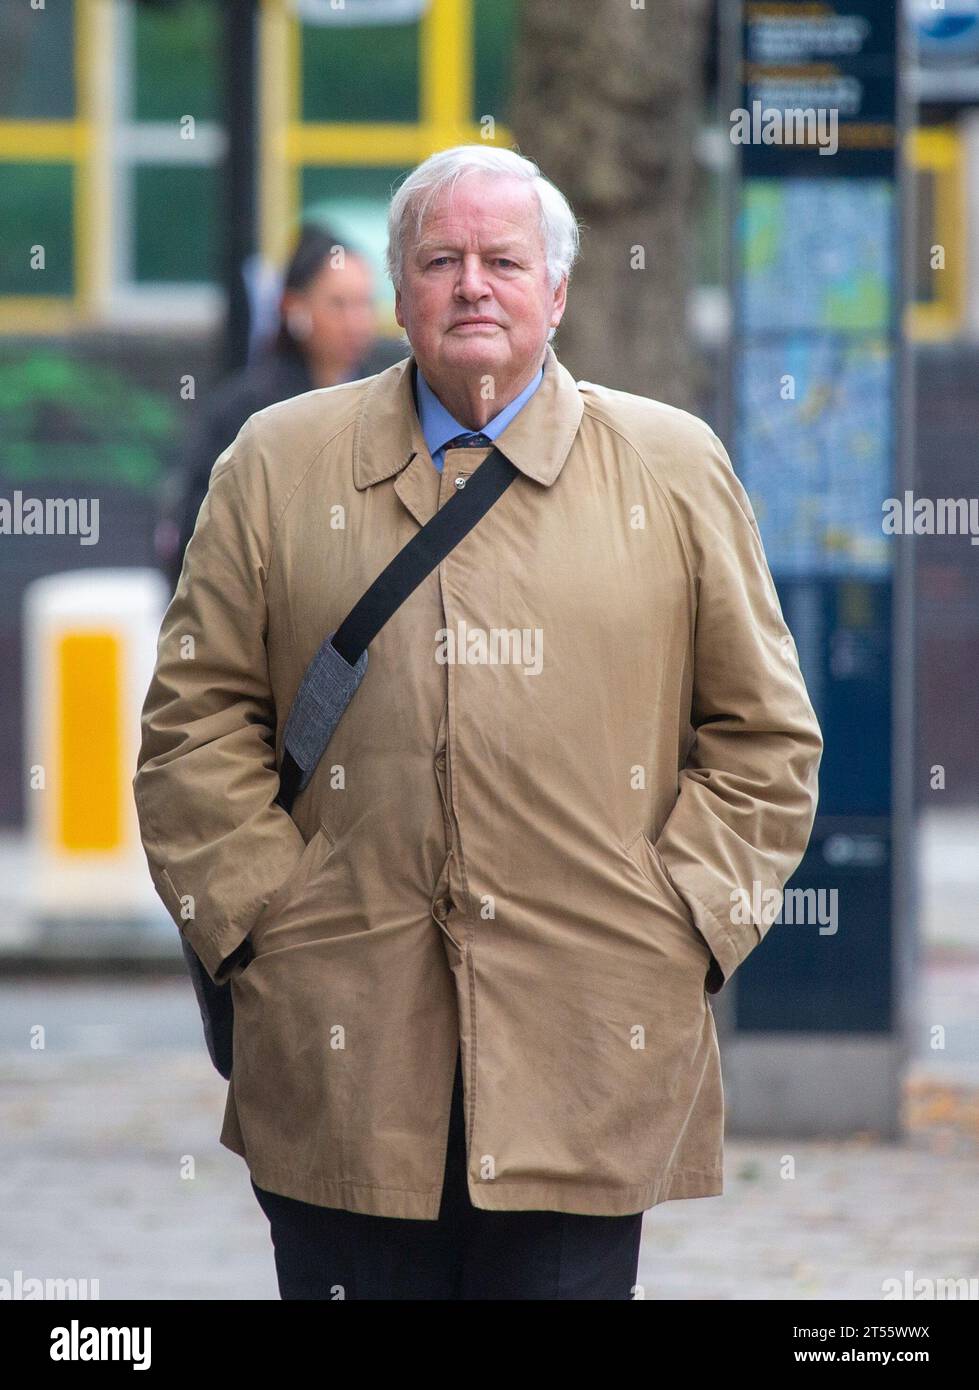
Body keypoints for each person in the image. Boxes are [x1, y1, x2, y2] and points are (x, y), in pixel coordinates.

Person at [133, 144, 823, 1300]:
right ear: (398, 292)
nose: (471, 285)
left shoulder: (671, 467)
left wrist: (678, 927)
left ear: (556, 293)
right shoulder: (277, 463)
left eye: (504, 260)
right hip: (342, 1045)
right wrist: (264, 931)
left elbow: (765, 741)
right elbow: (192, 728)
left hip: (589, 1048)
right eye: (440, 259)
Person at [155, 221, 406, 591]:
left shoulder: (393, 401)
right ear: (293, 308)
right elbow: (201, 534)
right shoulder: (244, 409)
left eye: (364, 303)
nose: (356, 322)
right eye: (338, 304)